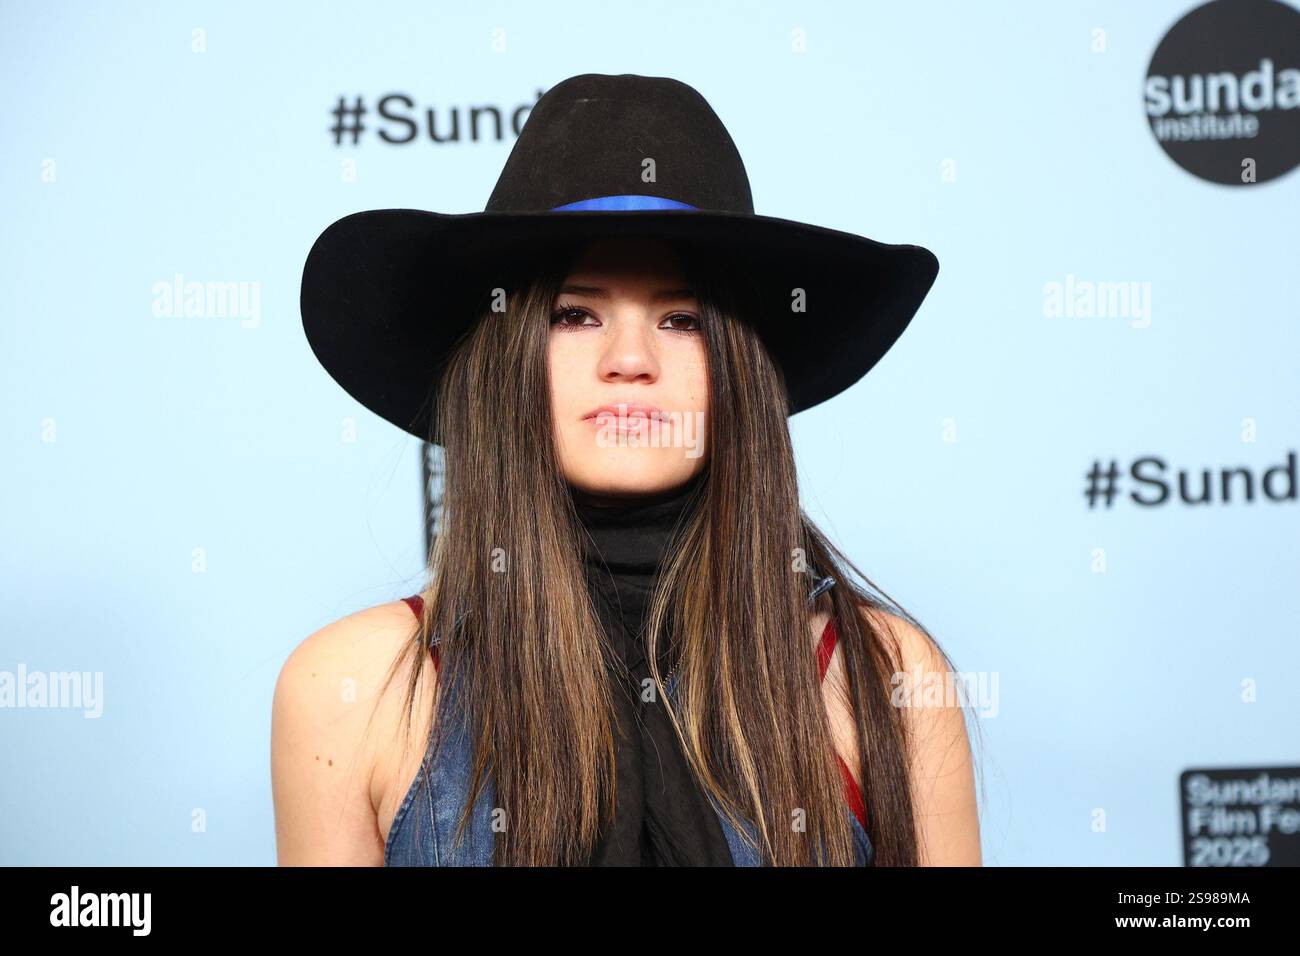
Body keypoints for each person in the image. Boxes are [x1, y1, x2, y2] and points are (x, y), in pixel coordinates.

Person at [275, 73, 981, 866]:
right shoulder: (351, 688)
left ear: (739, 370)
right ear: (505, 363)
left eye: (681, 320)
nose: (632, 360)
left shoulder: (884, 679)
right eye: (576, 315)